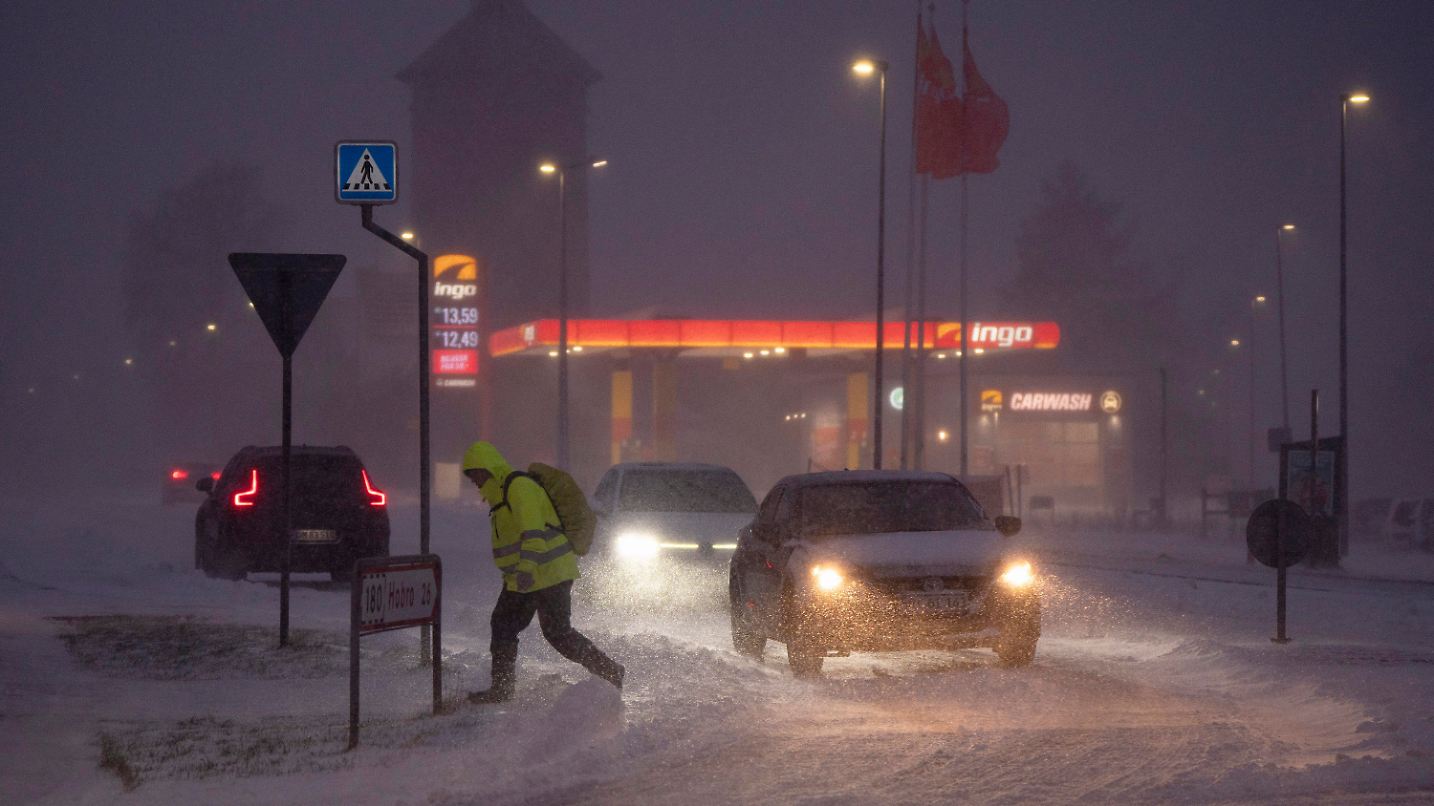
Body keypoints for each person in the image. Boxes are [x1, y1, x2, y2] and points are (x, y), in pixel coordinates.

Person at [462, 441, 624, 703]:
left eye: (477, 474)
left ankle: (610, 671)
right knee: (510, 626)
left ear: (489, 468)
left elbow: (534, 534)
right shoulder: (501, 495)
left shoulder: (518, 488)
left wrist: (525, 570)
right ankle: (502, 689)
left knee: (551, 632)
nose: (475, 482)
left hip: (545, 573)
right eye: (471, 478)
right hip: (530, 575)